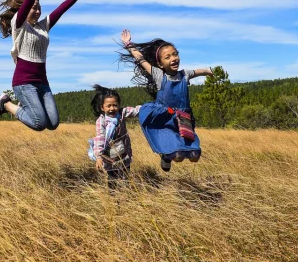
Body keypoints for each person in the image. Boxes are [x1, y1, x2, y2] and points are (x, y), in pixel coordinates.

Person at [0, 0, 92, 130]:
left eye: (39, 8)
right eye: (33, 8)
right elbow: (28, 1)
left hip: (42, 81)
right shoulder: (19, 24)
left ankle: (17, 106)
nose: (37, 11)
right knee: (38, 123)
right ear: (24, 9)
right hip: (24, 82)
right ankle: (6, 104)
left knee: (52, 123)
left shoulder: (43, 26)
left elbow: (61, 9)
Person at [119, 29, 213, 171]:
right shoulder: (159, 75)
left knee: (194, 155)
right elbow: (141, 59)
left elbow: (196, 72)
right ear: (161, 64)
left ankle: (170, 155)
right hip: (164, 117)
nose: (173, 58)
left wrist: (207, 71)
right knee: (178, 156)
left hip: (183, 118)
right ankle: (166, 156)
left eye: (175, 54)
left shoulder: (184, 74)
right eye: (167, 57)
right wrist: (128, 44)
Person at [87, 85, 141, 186]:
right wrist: (99, 156)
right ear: (102, 107)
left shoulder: (121, 113)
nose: (112, 108)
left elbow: (136, 111)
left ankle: (127, 196)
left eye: (115, 105)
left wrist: (148, 109)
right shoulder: (101, 121)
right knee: (112, 179)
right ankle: (114, 199)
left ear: (119, 105)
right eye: (109, 106)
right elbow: (100, 138)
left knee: (126, 177)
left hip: (123, 153)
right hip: (109, 156)